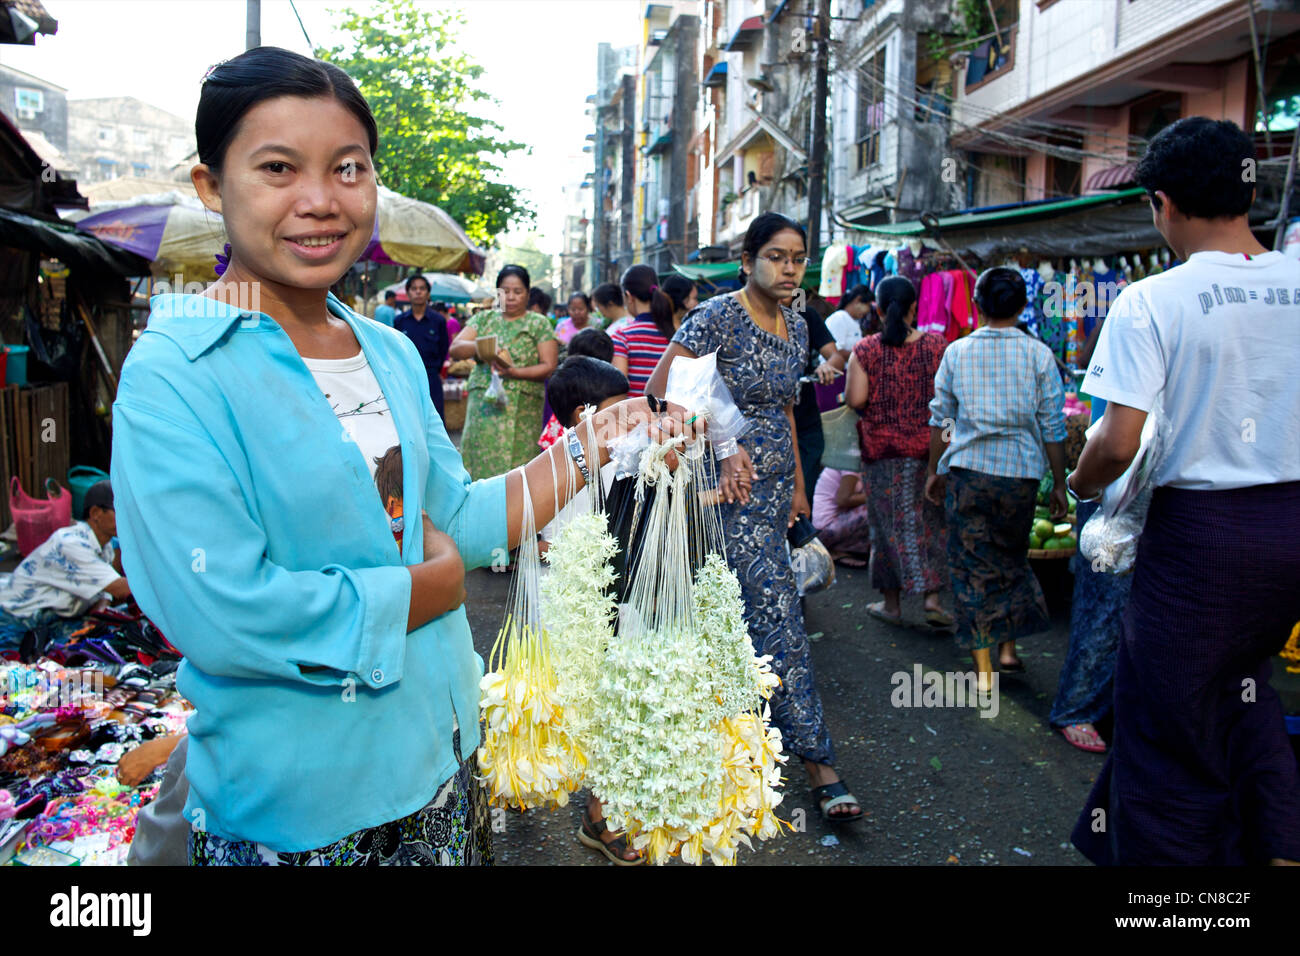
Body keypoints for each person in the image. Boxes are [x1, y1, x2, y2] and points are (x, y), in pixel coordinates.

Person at [111, 46, 695, 867]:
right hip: (304, 810)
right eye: (278, 167)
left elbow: (454, 516)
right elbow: (221, 609)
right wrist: (428, 590)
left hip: (444, 763)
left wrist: (599, 444)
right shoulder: (176, 370)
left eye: (348, 169)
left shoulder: (385, 351)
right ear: (212, 187)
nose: (319, 201)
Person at [1068, 117, 1300, 866]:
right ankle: (1276, 844)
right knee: (1245, 693)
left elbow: (1118, 440)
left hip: (1201, 544)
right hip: (1288, 531)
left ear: (1161, 203)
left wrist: (1081, 478)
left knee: (1166, 733)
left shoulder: (1152, 301)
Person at [647, 212, 863, 824]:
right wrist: (723, 439)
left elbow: (789, 411)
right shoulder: (715, 316)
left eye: (798, 257)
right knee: (776, 613)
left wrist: (797, 488)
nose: (789, 267)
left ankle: (725, 752)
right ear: (747, 261)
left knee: (731, 616)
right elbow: (664, 390)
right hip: (723, 492)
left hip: (771, 496)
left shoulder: (797, 324)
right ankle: (819, 762)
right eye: (776, 255)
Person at [925, 268, 1068, 689]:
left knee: (970, 566)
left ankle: (985, 671)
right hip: (1020, 476)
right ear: (1024, 306)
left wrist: (937, 468)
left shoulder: (957, 352)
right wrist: (1059, 482)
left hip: (969, 472)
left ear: (977, 305)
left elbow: (942, 420)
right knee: (1010, 559)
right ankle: (1008, 651)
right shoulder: (1039, 355)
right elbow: (1053, 428)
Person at [846, 277, 950, 628]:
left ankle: (891, 605)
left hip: (882, 454)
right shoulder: (939, 347)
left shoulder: (866, 350)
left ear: (877, 308)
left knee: (886, 528)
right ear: (914, 307)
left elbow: (856, 400)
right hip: (930, 453)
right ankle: (932, 598)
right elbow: (950, 406)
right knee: (931, 524)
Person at [449, 265, 560, 479]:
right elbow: (456, 348)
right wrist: (484, 347)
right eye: (504, 291)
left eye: (517, 292)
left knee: (519, 469)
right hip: (484, 404)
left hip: (523, 406)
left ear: (527, 293)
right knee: (477, 460)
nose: (510, 297)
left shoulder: (538, 323)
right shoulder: (484, 319)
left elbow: (548, 365)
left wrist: (514, 372)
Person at [0, 480, 130, 651]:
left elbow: (106, 590)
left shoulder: (105, 546)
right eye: (119, 511)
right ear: (96, 513)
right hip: (16, 619)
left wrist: (102, 605)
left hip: (52, 617)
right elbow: (118, 588)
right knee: (16, 672)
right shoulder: (70, 544)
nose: (126, 518)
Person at [788, 290, 845, 495]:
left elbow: (836, 357)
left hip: (806, 425)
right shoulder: (745, 317)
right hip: (765, 429)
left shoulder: (806, 316)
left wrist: (828, 366)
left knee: (805, 494)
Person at [610, 264, 678, 398]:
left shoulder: (622, 336)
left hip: (634, 416)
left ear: (629, 296)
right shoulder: (674, 335)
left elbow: (618, 387)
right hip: (670, 416)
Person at [394, 274, 451, 420]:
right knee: (409, 419)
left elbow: (444, 347)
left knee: (435, 420)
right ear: (408, 293)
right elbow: (394, 351)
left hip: (431, 377)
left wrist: (436, 370)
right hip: (406, 378)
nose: (418, 292)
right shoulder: (399, 321)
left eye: (422, 288)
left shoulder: (438, 321)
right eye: (414, 289)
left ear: (428, 293)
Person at [811, 467, 870, 566]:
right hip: (824, 530)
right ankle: (835, 550)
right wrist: (876, 496)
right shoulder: (850, 465)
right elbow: (843, 499)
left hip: (834, 525)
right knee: (873, 509)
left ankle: (844, 550)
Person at [825, 285, 875, 356]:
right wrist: (861, 357)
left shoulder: (854, 321)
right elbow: (835, 351)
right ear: (858, 300)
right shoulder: (839, 318)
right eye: (868, 305)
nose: (869, 310)